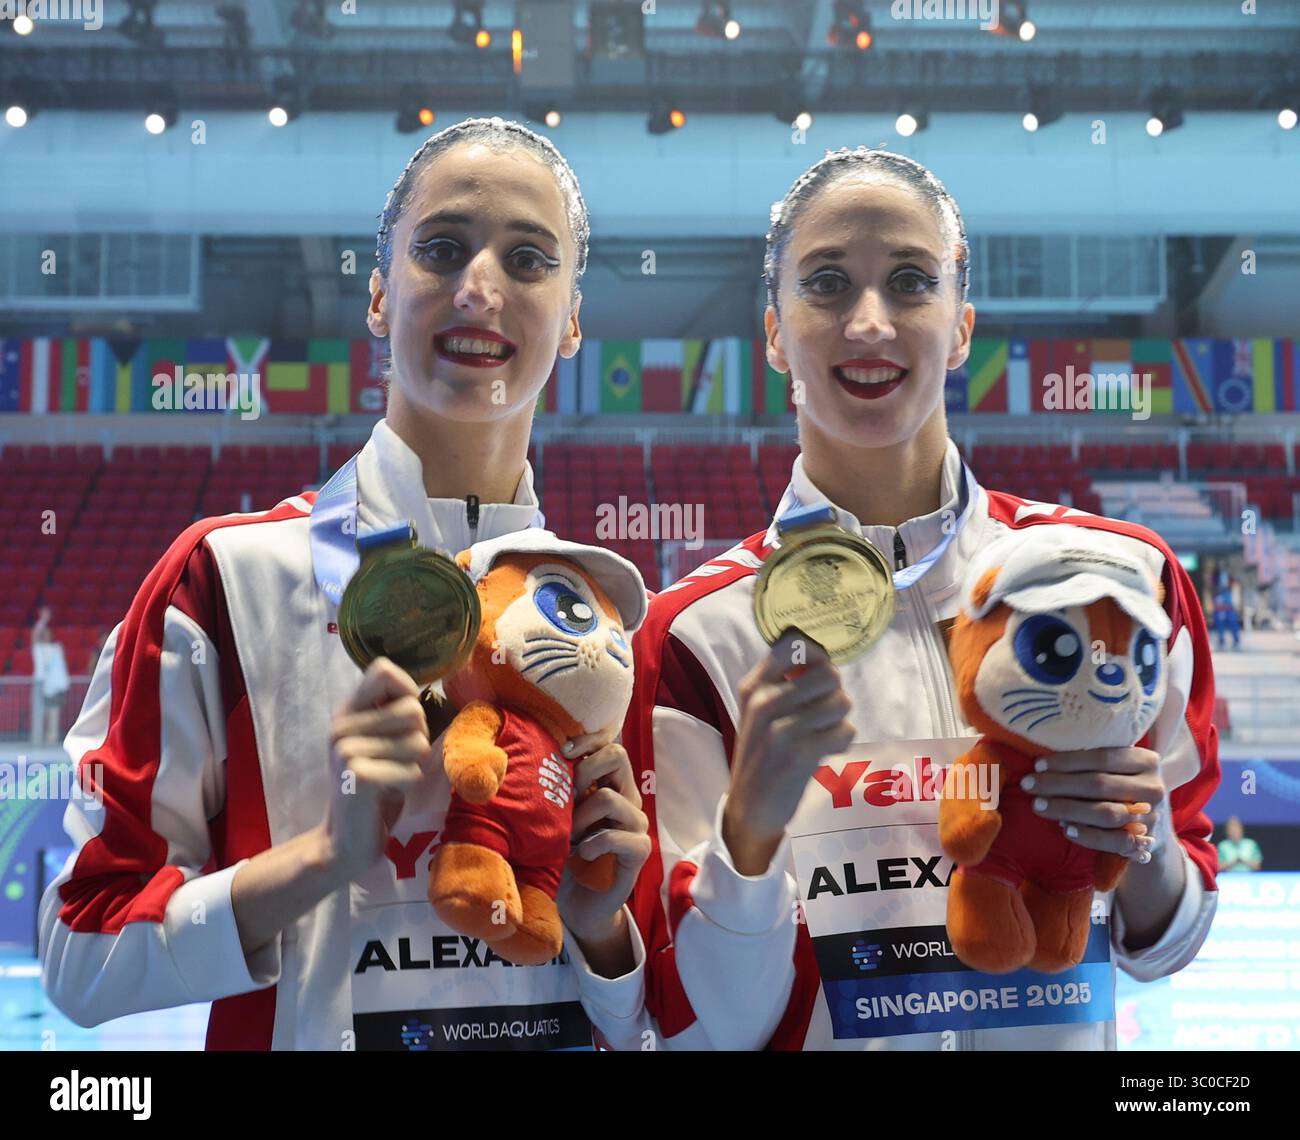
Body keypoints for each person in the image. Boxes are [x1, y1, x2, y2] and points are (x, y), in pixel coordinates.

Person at [38, 117, 651, 1050]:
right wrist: (323, 858)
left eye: (528, 261)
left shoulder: (604, 627)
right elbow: (79, 950)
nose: (480, 287)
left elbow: (643, 1017)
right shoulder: (225, 580)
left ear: (572, 320)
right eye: (442, 250)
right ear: (377, 295)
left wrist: (604, 932)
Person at [590, 147, 1221, 1051]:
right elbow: (705, 1032)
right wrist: (750, 838)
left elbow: (1170, 944)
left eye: (911, 283)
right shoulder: (690, 636)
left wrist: (1147, 835)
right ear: (774, 332)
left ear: (961, 327)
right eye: (829, 284)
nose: (870, 323)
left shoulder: (1123, 577)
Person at [30, 606, 70, 747]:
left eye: (48, 633)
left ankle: (51, 740)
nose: (46, 635)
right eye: (43, 634)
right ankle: (37, 741)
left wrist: (64, 683)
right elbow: (34, 635)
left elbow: (62, 668)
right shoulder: (38, 649)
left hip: (55, 687)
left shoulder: (57, 648)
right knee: (40, 713)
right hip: (41, 686)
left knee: (54, 714)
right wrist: (43, 620)